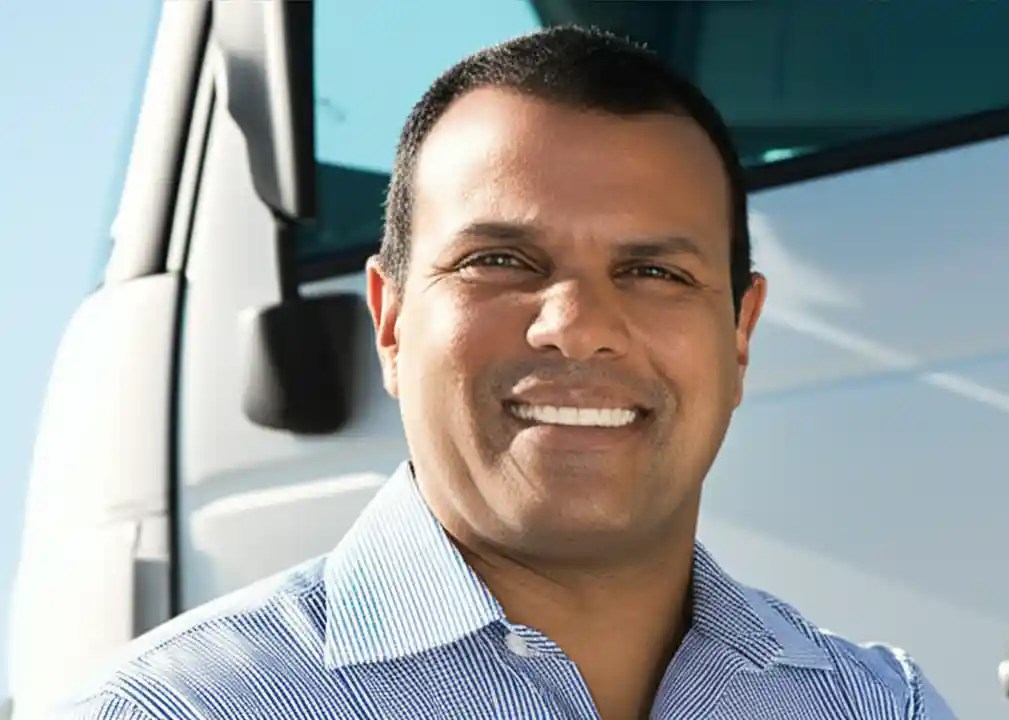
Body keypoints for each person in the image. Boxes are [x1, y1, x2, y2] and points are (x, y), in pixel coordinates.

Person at [59, 26, 955, 720]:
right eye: (500, 261)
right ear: (393, 318)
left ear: (740, 335)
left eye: (654, 273)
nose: (578, 328)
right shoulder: (188, 708)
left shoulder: (880, 705)